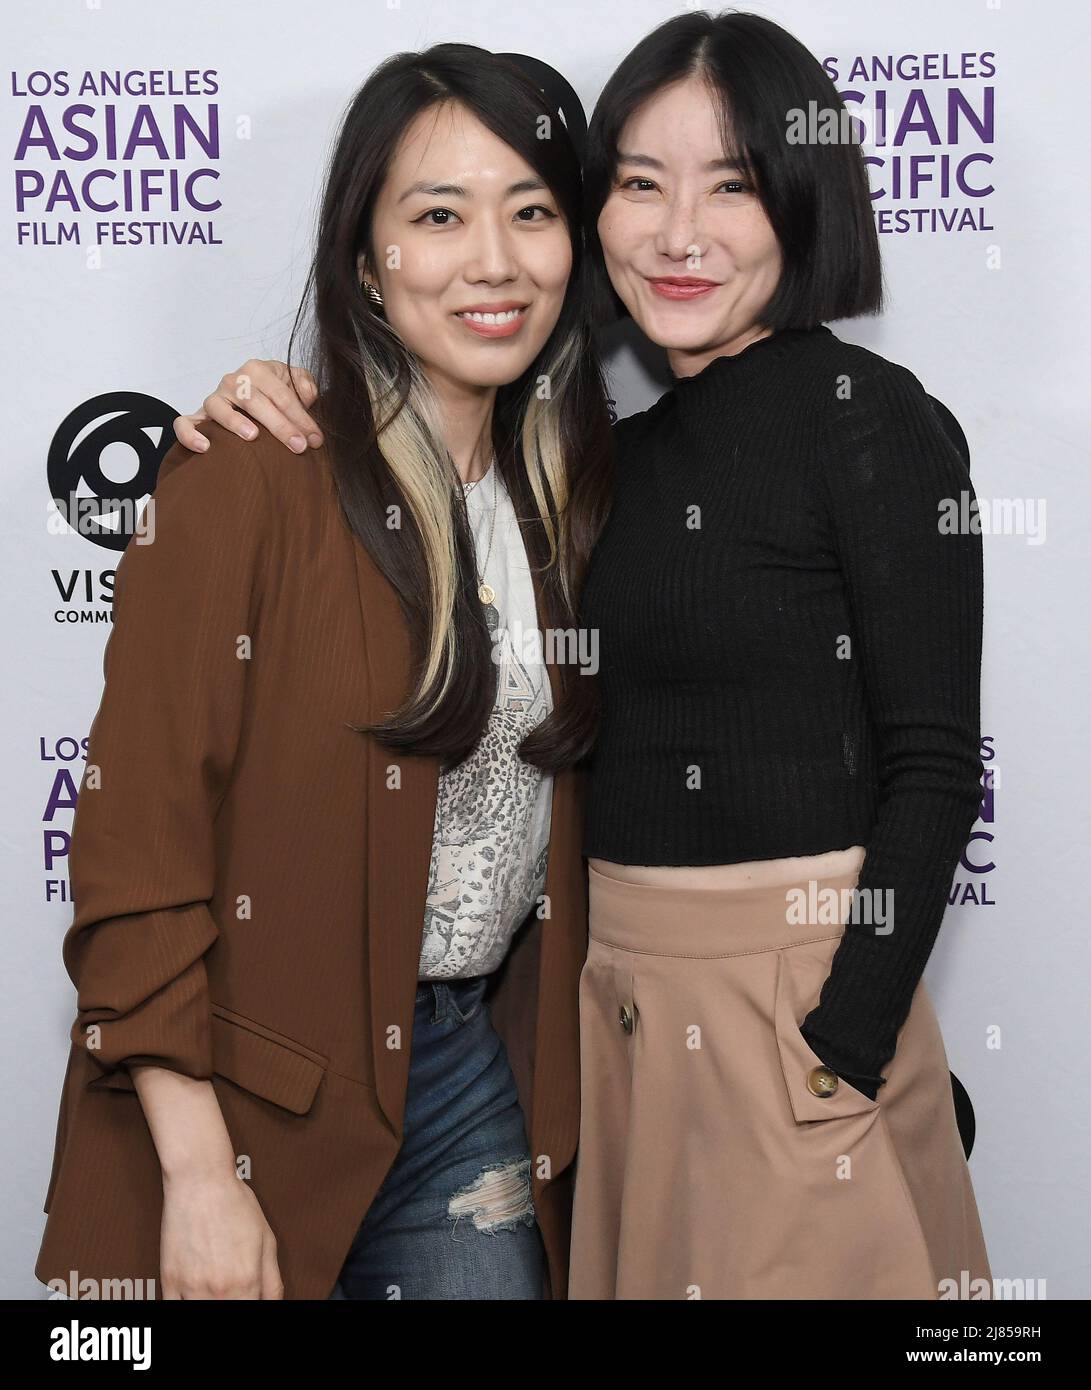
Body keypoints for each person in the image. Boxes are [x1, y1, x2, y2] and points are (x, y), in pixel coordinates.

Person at [172, 10, 991, 1301]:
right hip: (599, 1015)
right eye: (637, 185)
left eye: (728, 184)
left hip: (789, 1006)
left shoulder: (868, 420)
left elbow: (936, 762)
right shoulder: (607, 455)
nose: (677, 232)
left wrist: (839, 1034)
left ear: (798, 200)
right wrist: (254, 395)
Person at [36, 43, 612, 1302]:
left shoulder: (578, 502)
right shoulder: (250, 475)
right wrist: (195, 1174)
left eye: (532, 212)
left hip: (469, 1078)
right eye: (439, 216)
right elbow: (136, 848)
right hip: (240, 1086)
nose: (494, 261)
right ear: (366, 257)